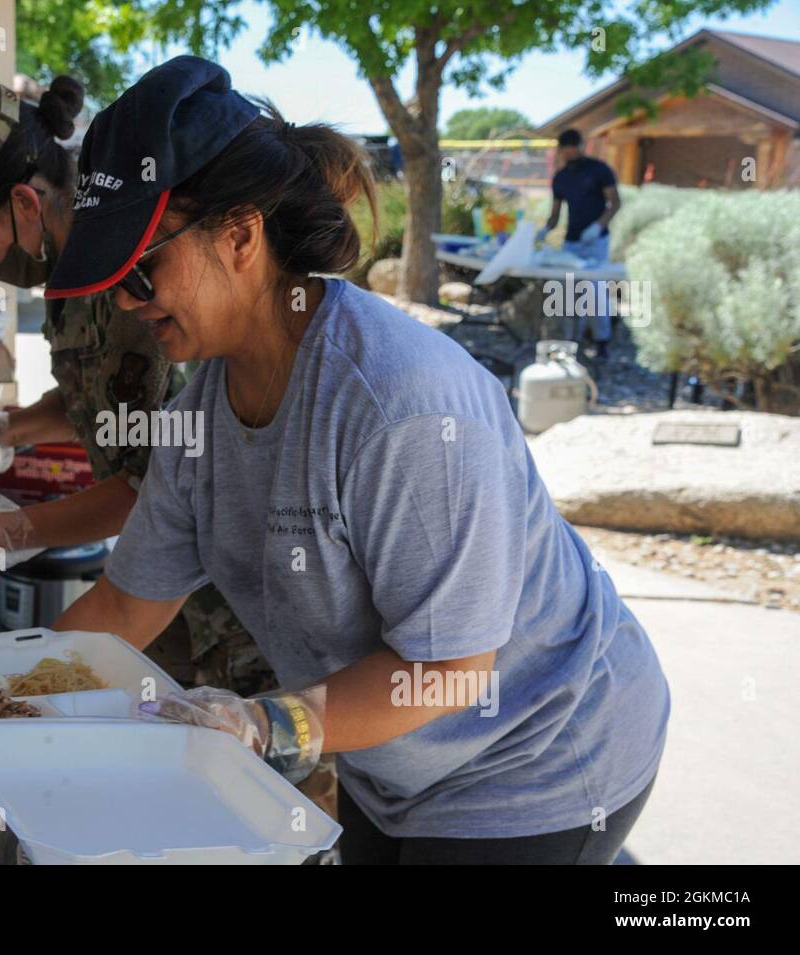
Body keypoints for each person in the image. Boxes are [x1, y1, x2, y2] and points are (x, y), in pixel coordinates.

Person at [45, 56, 669, 864]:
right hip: (393, 764)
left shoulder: (399, 407)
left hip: (540, 752)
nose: (126, 300)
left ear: (240, 234)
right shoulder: (198, 416)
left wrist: (266, 721)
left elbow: (448, 668)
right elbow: (124, 609)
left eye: (140, 269)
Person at [0, 63, 293, 717]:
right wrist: (0, 431)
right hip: (160, 590)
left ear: (25, 203)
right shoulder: (67, 272)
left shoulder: (133, 273)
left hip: (230, 619)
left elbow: (149, 483)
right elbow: (107, 405)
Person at [538, 128, 621, 359]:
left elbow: (614, 203)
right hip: (571, 243)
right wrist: (544, 231)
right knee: (567, 292)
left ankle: (602, 340)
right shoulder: (561, 177)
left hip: (596, 241)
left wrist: (598, 226)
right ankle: (573, 338)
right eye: (567, 150)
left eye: (575, 148)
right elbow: (555, 214)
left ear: (581, 147)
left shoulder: (599, 170)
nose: (571, 153)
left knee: (595, 290)